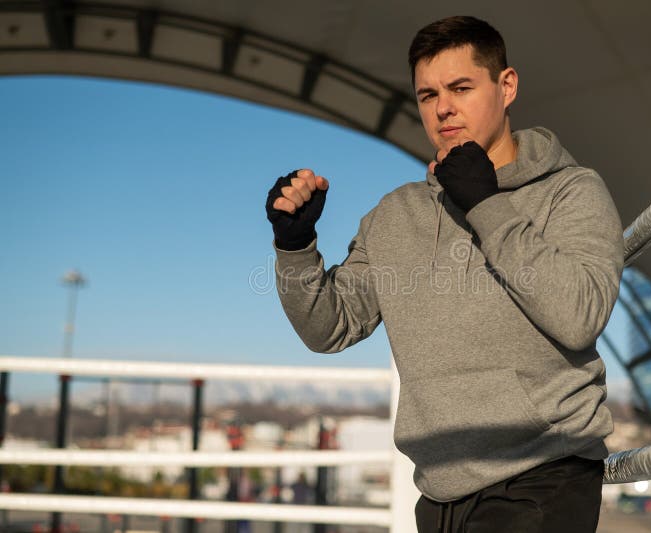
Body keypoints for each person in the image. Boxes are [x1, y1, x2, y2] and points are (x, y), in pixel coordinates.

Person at [264, 15, 623, 533]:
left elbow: (579, 316)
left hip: (543, 477)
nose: (443, 107)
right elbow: (329, 328)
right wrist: (295, 245)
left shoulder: (570, 191)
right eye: (428, 94)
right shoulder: (396, 215)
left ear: (506, 87)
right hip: (438, 491)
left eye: (460, 87)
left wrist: (485, 204)